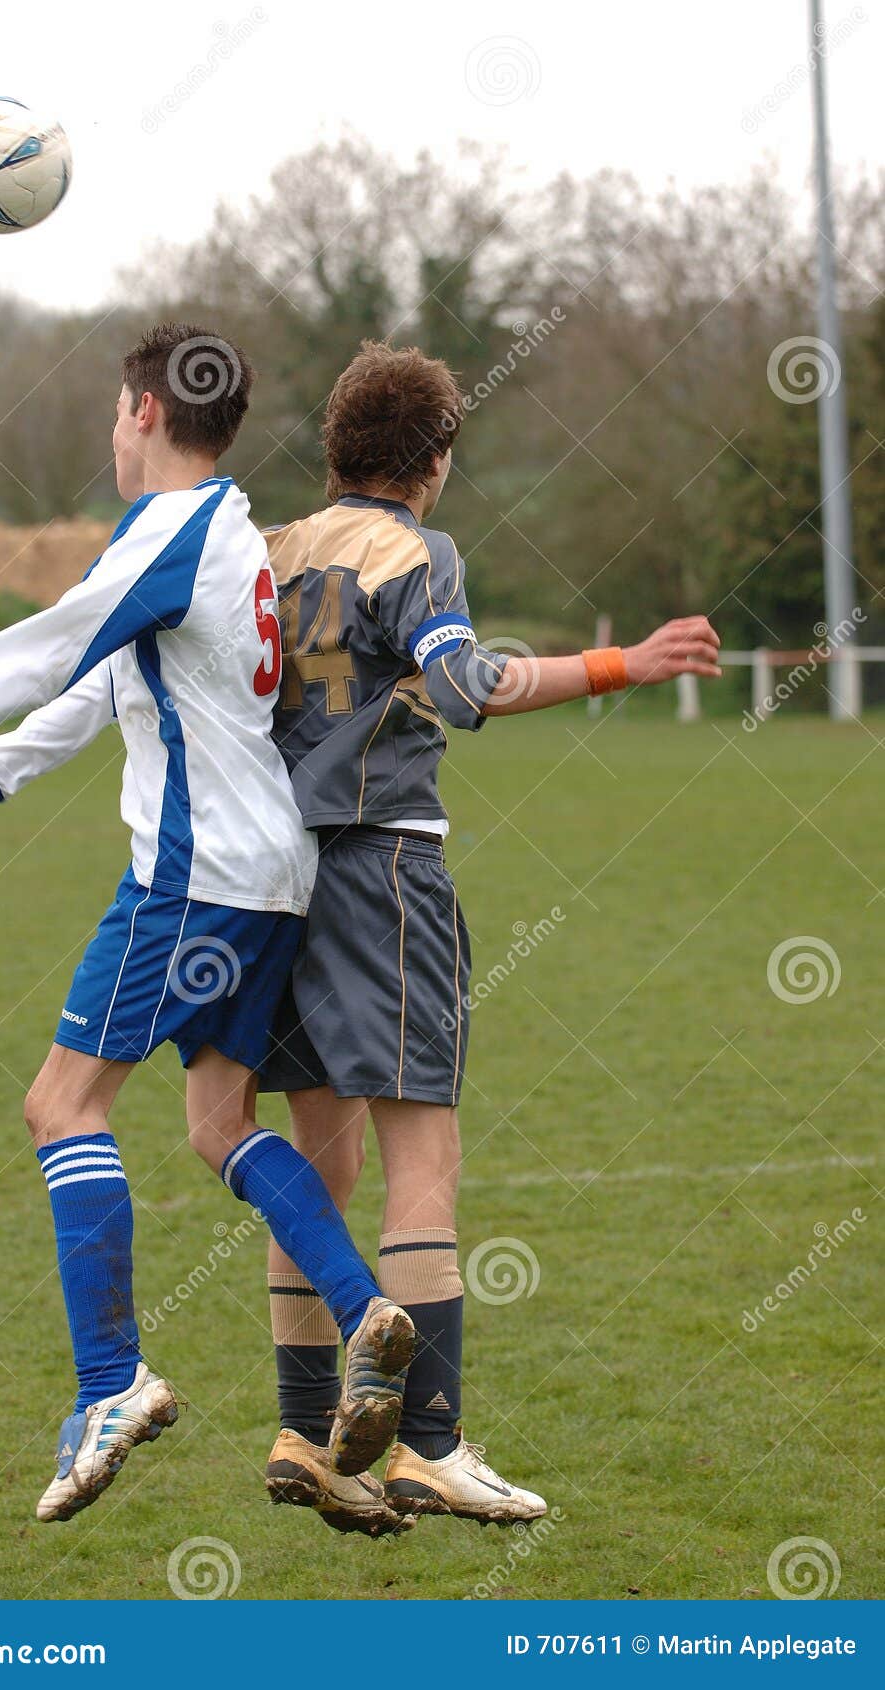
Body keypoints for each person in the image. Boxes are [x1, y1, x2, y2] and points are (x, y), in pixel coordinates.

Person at [0, 324, 416, 1530]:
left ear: (144, 410)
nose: (108, 429)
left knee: (60, 1105)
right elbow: (107, 676)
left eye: (112, 410)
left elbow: (41, 650)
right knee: (216, 1125)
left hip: (189, 880)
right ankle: (365, 1313)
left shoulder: (171, 531)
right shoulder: (226, 536)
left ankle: (111, 1383)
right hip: (271, 882)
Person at [256, 341, 722, 1533]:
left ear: (334, 452)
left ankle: (309, 1436)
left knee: (320, 1167)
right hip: (382, 868)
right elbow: (469, 687)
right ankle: (431, 1443)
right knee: (422, 1159)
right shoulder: (416, 549)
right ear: (435, 459)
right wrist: (626, 661)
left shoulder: (277, 550)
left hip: (273, 878)